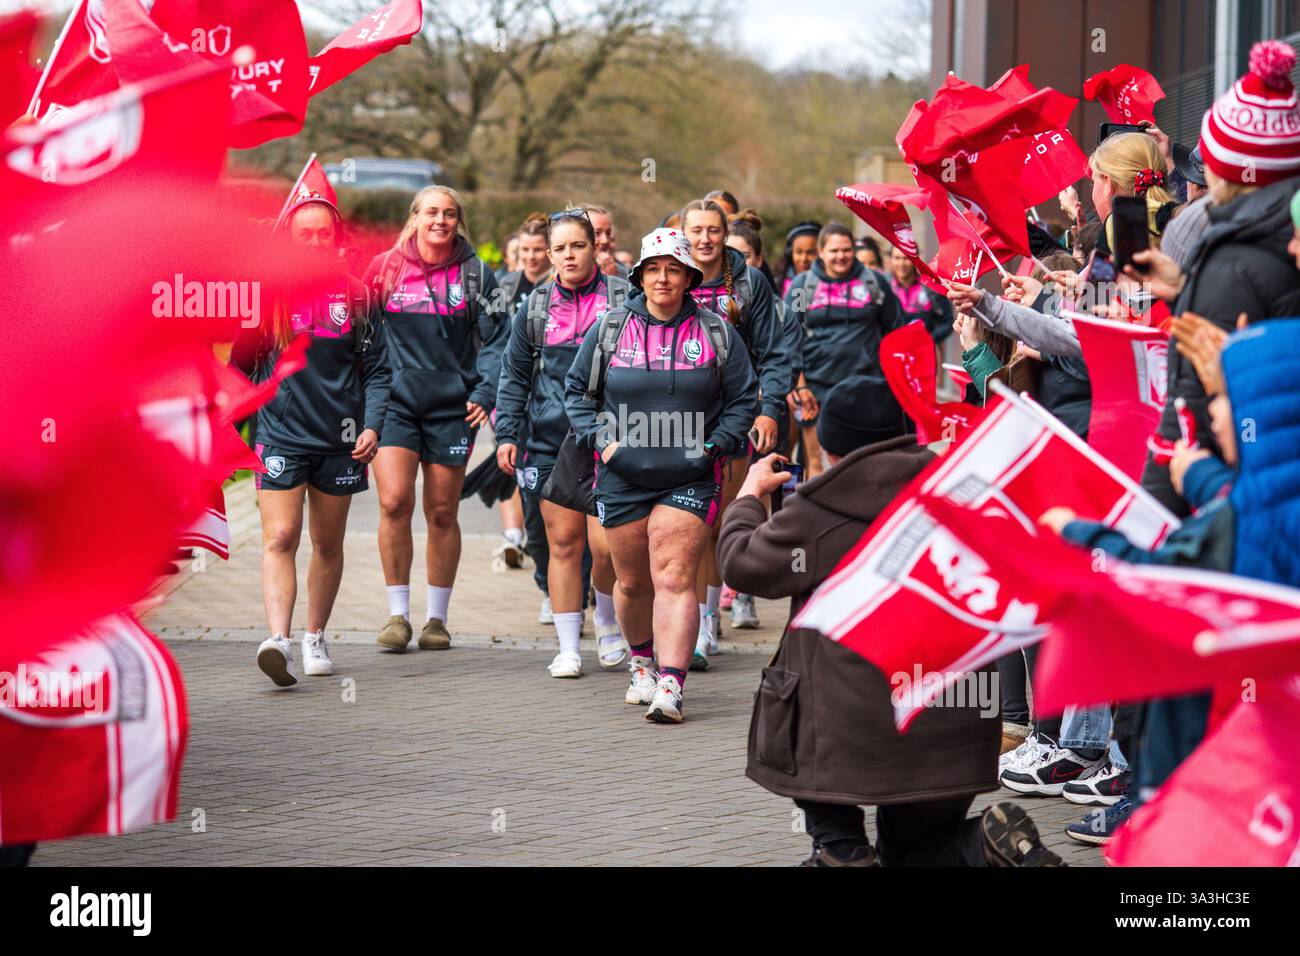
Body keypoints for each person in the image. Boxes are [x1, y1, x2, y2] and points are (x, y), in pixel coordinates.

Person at [717, 378, 1061, 867]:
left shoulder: (817, 512)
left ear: (830, 447)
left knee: (823, 781)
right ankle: (982, 844)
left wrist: (749, 497)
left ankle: (842, 850)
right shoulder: (960, 497)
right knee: (916, 850)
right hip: (954, 720)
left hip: (846, 730)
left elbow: (741, 564)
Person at [563, 228, 758, 723]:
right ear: (640, 276)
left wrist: (714, 446)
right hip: (622, 474)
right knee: (631, 583)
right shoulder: (609, 329)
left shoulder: (716, 331)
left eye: (673, 269)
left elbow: (741, 401)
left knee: (673, 576)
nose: (663, 278)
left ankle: (671, 683)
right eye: (654, 269)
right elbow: (577, 397)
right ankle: (642, 662)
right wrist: (605, 446)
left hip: (690, 475)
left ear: (689, 276)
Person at [235, 196, 393, 686]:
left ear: (337, 241)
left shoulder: (357, 296)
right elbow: (237, 372)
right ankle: (278, 641)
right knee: (280, 537)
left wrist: (372, 425)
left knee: (327, 543)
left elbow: (380, 371)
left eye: (325, 234)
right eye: (305, 234)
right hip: (281, 438)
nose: (316, 242)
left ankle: (314, 637)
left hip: (340, 442)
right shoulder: (267, 297)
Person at [1140, 39, 1300, 516]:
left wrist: (1149, 523)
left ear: (1229, 173)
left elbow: (1186, 415)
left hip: (1227, 507)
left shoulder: (1230, 263)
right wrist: (1185, 283)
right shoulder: (1282, 237)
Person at [364, 185, 508, 652]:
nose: (440, 221)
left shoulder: (475, 274)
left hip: (452, 408)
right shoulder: (385, 268)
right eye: (431, 212)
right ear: (415, 217)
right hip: (395, 405)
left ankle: (436, 620)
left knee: (442, 511)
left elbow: (500, 339)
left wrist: (485, 390)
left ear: (457, 220)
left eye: (448, 214)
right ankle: (398, 615)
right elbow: (359, 336)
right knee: (393, 502)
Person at [494, 209, 629, 677]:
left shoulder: (623, 297)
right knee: (563, 543)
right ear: (549, 254)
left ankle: (609, 625)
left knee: (607, 545)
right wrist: (507, 432)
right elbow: (512, 376)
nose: (569, 255)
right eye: (560, 248)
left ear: (595, 248)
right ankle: (569, 648)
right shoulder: (534, 307)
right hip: (550, 439)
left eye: (578, 246)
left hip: (610, 438)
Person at [679, 198, 792, 661]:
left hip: (733, 418)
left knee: (715, 523)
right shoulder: (666, 273)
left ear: (725, 234)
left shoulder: (749, 281)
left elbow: (775, 352)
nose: (704, 239)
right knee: (683, 524)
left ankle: (707, 624)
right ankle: (680, 620)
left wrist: (769, 410)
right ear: (683, 234)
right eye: (696, 231)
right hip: (673, 418)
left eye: (713, 230)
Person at [784, 221, 906, 479]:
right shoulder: (802, 286)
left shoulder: (874, 283)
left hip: (865, 387)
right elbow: (788, 340)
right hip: (814, 391)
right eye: (834, 251)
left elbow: (896, 333)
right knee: (816, 465)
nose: (841, 256)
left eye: (846, 250)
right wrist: (800, 386)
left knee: (863, 463)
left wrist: (893, 382)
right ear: (821, 251)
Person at [492, 212, 555, 579]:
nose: (532, 257)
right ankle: (516, 536)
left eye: (538, 250)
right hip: (513, 391)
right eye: (526, 250)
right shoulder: (505, 287)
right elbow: (491, 338)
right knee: (511, 468)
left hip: (550, 395)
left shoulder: (558, 287)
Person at [887, 245, 952, 343]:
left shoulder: (930, 286)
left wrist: (929, 339)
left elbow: (948, 321)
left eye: (906, 258)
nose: (902, 264)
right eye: (897, 258)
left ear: (915, 258)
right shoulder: (884, 287)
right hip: (892, 353)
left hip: (925, 352)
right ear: (890, 260)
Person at [579, 203, 629, 279]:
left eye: (608, 233)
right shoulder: (561, 272)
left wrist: (611, 280)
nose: (605, 240)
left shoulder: (626, 275)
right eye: (597, 233)